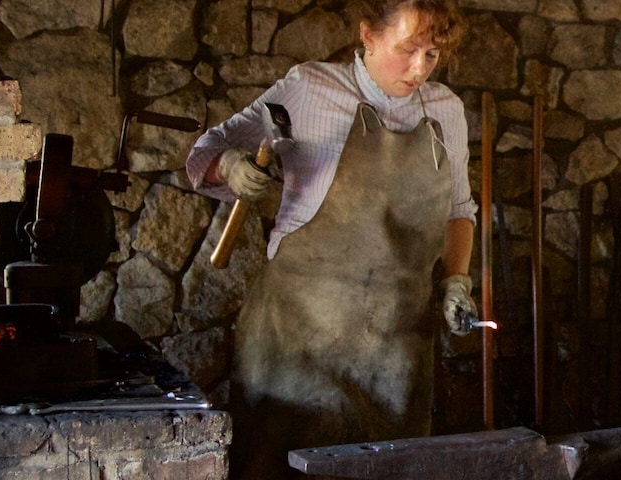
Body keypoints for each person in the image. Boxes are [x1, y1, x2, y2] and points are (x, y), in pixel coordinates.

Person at [184, 0, 475, 477]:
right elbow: (203, 155)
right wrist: (232, 167)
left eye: (432, 55)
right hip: (295, 340)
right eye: (407, 50)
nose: (419, 68)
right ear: (368, 35)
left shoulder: (448, 112)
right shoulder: (309, 89)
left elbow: (460, 212)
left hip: (393, 351)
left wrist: (457, 282)